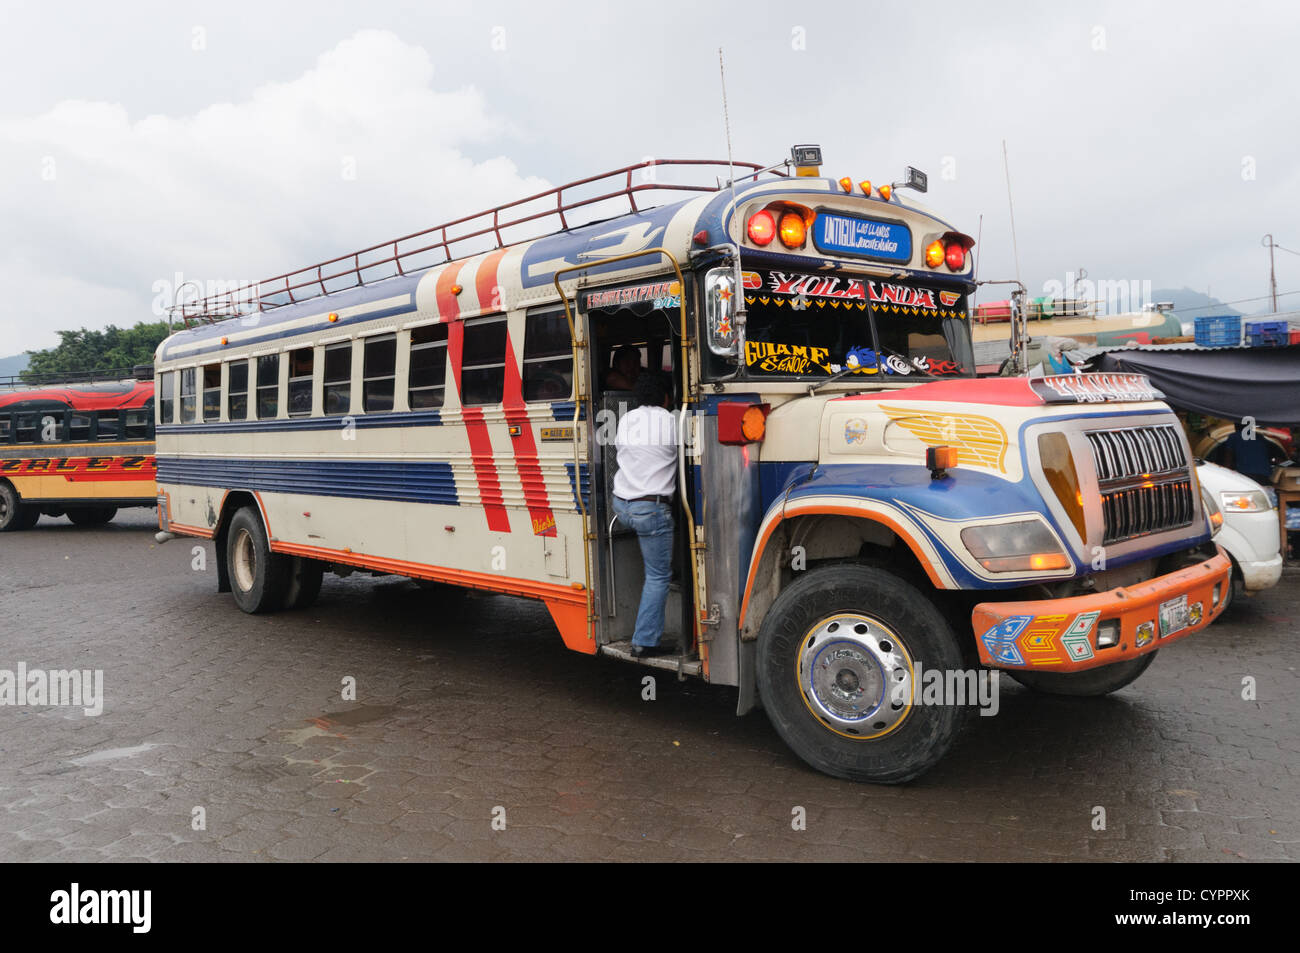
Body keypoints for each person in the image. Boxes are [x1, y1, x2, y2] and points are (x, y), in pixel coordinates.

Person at [612, 372, 677, 658]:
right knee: (658, 576)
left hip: (622, 505)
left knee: (652, 570)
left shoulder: (627, 419)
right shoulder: (672, 420)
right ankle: (644, 641)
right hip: (650, 510)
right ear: (665, 396)